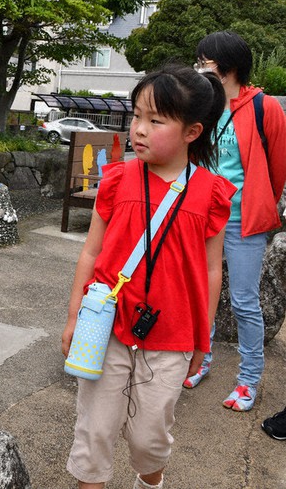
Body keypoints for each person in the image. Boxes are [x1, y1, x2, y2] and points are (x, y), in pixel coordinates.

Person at [61, 64, 235, 489]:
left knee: (149, 438)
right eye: (137, 116)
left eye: (155, 120)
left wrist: (203, 337)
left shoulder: (210, 192)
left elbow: (213, 270)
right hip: (107, 326)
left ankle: (151, 481)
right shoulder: (118, 178)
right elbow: (91, 252)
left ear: (192, 132)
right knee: (95, 432)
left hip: (173, 336)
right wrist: (72, 318)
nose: (139, 129)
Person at [183, 31, 286, 413]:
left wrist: (259, 204)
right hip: (202, 217)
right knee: (199, 293)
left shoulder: (265, 107)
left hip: (245, 222)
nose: (199, 66)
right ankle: (201, 360)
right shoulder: (202, 103)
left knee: (244, 303)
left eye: (205, 60)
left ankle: (248, 381)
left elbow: (278, 169)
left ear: (228, 66)